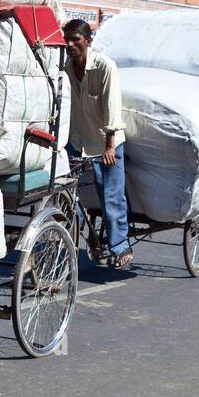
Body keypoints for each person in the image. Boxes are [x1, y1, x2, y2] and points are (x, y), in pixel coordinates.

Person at [62, 18, 131, 269]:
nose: (69, 44)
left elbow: (112, 108)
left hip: (105, 142)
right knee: (63, 191)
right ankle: (85, 238)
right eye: (66, 39)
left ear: (87, 41)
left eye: (75, 40)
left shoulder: (104, 67)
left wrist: (110, 145)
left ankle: (121, 246)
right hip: (77, 140)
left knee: (111, 196)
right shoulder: (66, 67)